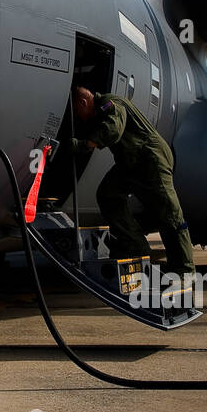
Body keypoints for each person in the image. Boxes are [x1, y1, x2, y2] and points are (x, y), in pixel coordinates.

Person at [70, 86, 196, 276]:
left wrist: (84, 144)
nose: (79, 116)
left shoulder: (108, 103)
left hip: (150, 159)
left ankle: (184, 270)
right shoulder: (98, 112)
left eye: (77, 111)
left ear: (83, 102)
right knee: (107, 194)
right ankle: (136, 246)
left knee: (169, 213)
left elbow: (113, 129)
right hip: (130, 163)